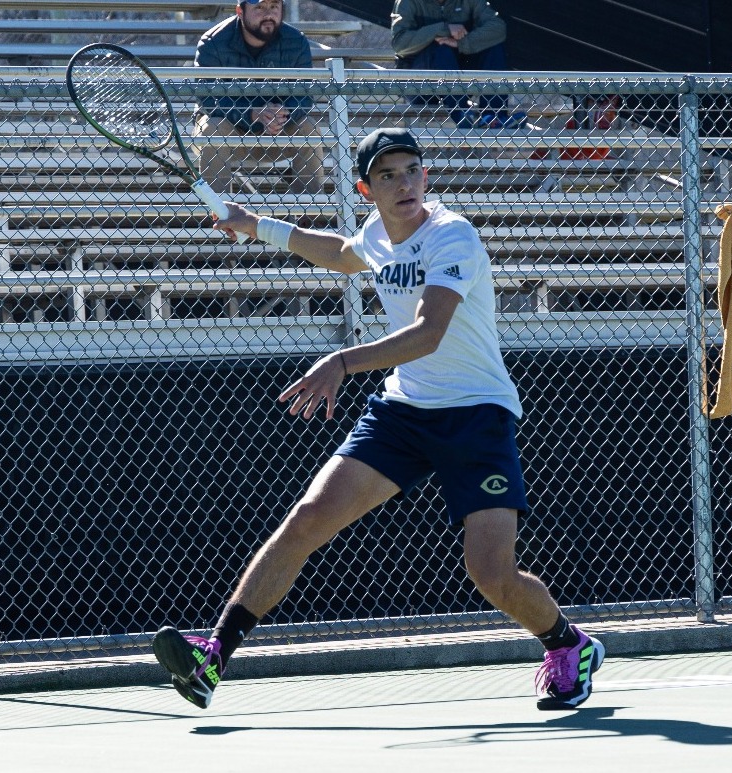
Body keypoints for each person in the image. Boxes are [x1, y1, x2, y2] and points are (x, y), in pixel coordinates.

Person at [152, 127, 604, 712]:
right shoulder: (377, 232)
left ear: (426, 176)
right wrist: (254, 224)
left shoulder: (452, 237)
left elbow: (428, 332)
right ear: (367, 188)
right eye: (387, 175)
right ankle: (214, 658)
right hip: (403, 412)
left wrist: (341, 361)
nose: (403, 182)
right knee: (308, 519)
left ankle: (568, 645)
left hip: (476, 417)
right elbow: (343, 254)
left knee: (491, 574)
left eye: (411, 170)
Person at [194, 0, 327, 194]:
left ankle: (310, 214)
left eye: (274, 6)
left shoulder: (296, 40)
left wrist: (284, 113)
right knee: (211, 127)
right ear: (240, 11)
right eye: (259, 7)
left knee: (309, 128)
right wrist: (252, 114)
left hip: (277, 131)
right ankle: (219, 216)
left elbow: (305, 94)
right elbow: (207, 99)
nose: (268, 14)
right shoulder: (213, 41)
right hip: (231, 131)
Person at [391, 0, 526, 130]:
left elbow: (497, 27)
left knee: (493, 48)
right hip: (420, 84)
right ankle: (462, 115)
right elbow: (399, 43)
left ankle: (493, 117)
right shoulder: (407, 1)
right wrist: (443, 29)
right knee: (441, 48)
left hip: (457, 80)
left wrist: (462, 44)